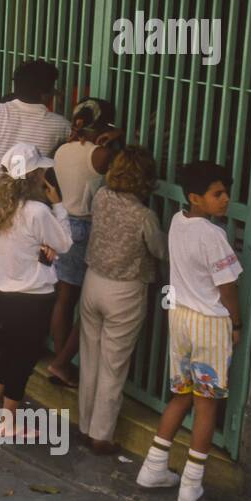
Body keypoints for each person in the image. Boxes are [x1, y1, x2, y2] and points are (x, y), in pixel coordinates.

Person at [137, 161, 242, 501]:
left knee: (180, 395)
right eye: (217, 194)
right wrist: (236, 324)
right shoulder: (214, 235)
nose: (225, 199)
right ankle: (191, 483)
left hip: (180, 319)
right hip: (210, 323)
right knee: (206, 404)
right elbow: (227, 288)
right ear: (196, 197)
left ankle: (153, 466)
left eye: (226, 192)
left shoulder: (178, 222)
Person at [0, 60, 71, 367]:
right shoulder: (59, 124)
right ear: (48, 92)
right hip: (33, 202)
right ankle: (19, 348)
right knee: (30, 277)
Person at [77, 146, 166, 455]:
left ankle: (85, 424)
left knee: (90, 357)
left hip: (93, 280)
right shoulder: (145, 215)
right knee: (114, 365)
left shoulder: (101, 196)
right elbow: (159, 251)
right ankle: (101, 434)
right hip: (125, 290)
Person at [0, 143, 72, 438]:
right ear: (35, 176)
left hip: (1, 291)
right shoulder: (37, 211)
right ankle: (9, 422)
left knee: (7, 350)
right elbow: (65, 244)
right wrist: (57, 204)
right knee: (24, 358)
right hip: (32, 296)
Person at [47, 98, 123, 387]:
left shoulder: (61, 150)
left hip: (62, 221)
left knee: (64, 297)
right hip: (85, 227)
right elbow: (129, 167)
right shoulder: (101, 155)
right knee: (90, 304)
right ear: (106, 125)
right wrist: (119, 138)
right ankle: (62, 362)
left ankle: (59, 357)